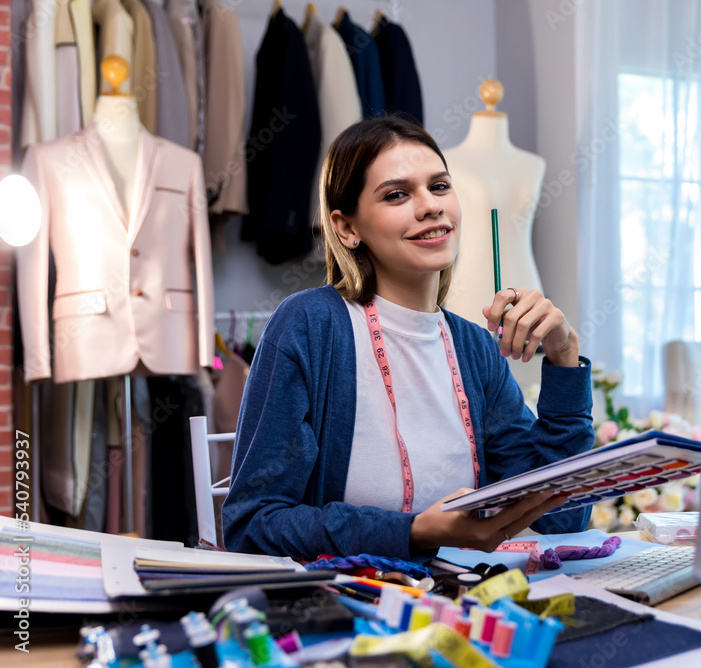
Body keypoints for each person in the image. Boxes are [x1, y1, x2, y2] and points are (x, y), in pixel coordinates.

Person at [222, 117, 594, 560]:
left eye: (439, 186)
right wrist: (413, 532)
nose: (430, 207)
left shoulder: (476, 350)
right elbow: (252, 526)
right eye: (397, 194)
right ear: (347, 228)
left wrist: (564, 355)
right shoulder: (309, 326)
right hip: (350, 609)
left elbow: (560, 518)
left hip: (458, 604)